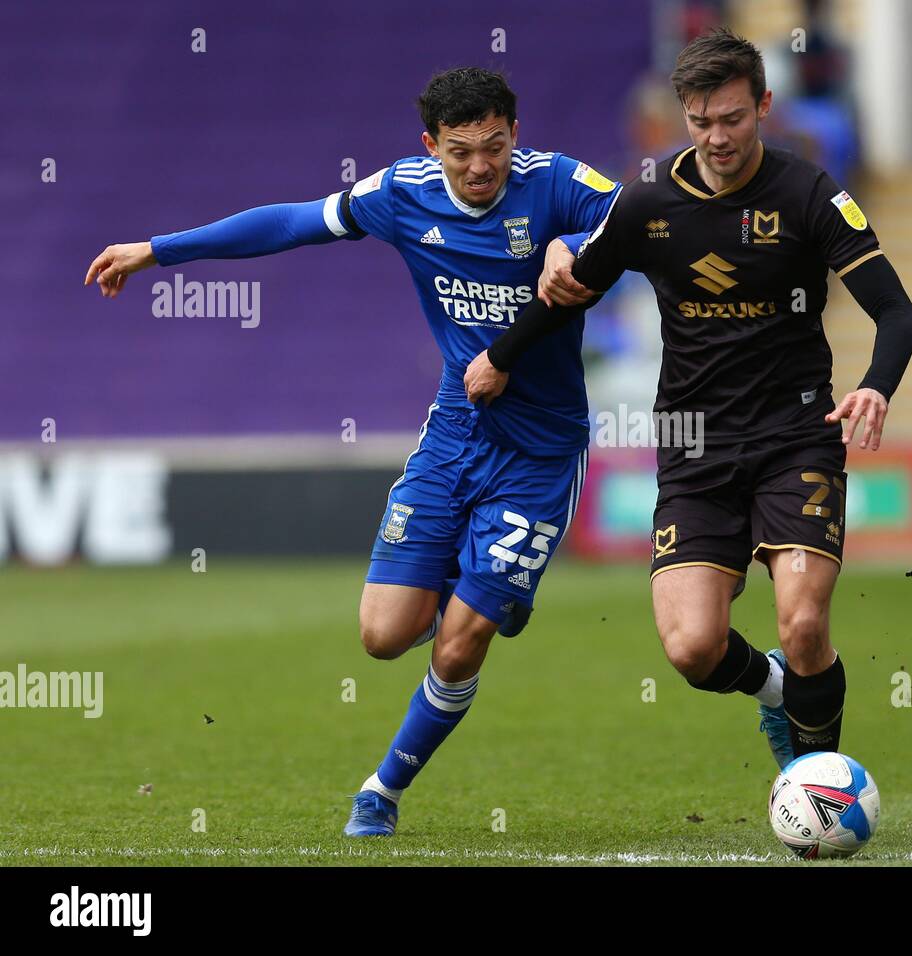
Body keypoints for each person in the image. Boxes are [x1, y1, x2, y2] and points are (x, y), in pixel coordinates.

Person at [83, 67, 620, 834]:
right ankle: (484, 588)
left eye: (495, 147)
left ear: (515, 136)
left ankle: (382, 789)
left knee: (462, 642)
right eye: (460, 151)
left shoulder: (558, 183)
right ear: (430, 145)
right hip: (455, 435)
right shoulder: (402, 192)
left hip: (538, 454)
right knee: (382, 636)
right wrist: (159, 251)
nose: (479, 167)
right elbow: (291, 222)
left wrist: (571, 241)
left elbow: (638, 219)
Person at [465, 29, 912, 771]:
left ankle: (816, 786)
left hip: (793, 438)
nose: (717, 137)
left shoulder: (809, 193)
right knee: (691, 648)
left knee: (803, 623)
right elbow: (569, 288)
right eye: (701, 121)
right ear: (684, 114)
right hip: (693, 449)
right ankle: (778, 693)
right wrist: (500, 358)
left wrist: (875, 385)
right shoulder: (648, 204)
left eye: (733, 119)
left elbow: (898, 314)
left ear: (764, 107)